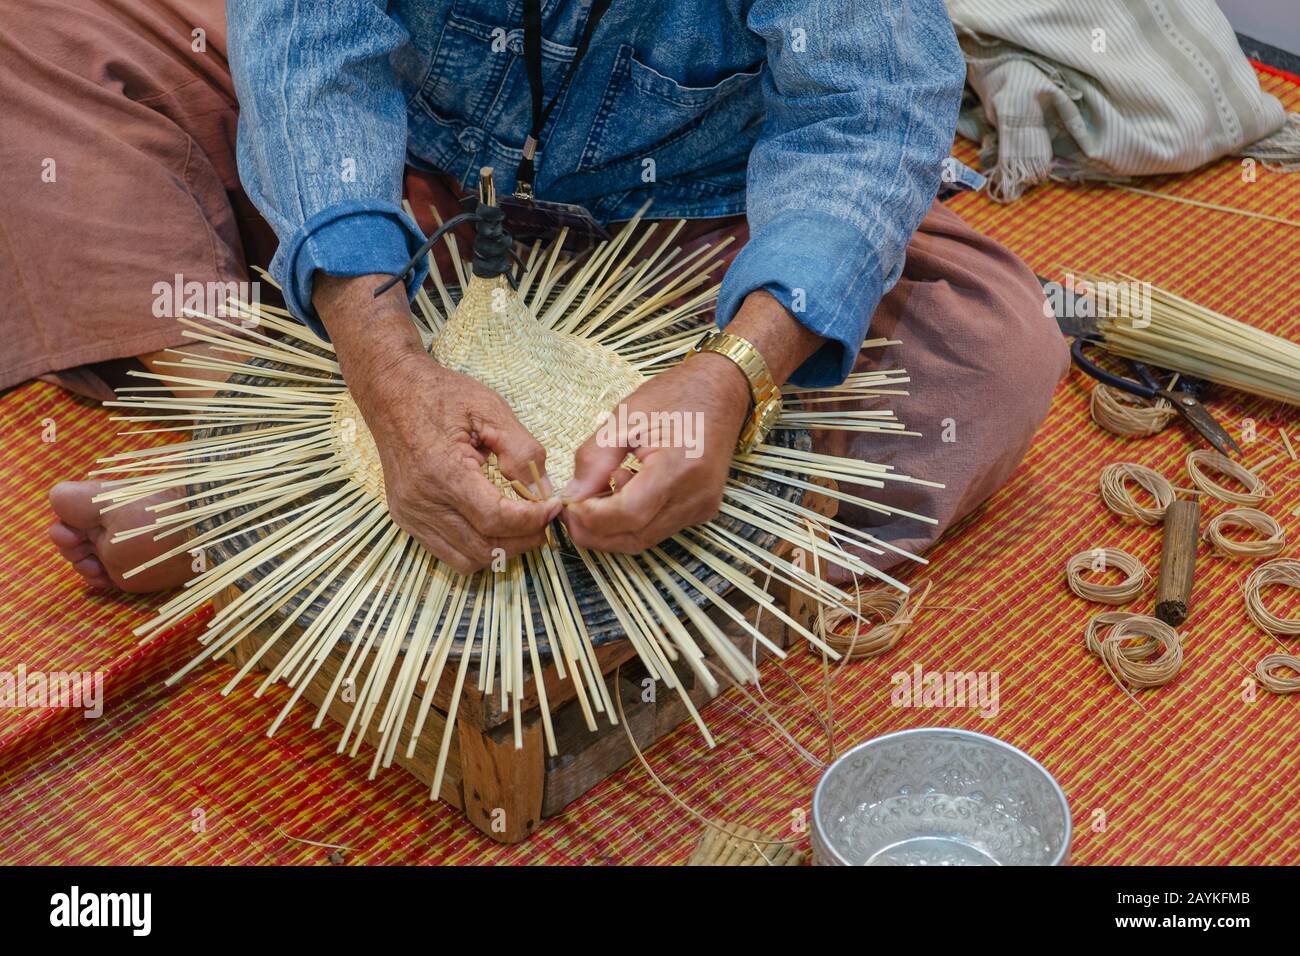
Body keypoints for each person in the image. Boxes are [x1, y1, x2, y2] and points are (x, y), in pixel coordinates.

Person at [6, 0, 1068, 592]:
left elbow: (864, 114)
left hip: (685, 236)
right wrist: (380, 355)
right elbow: (309, 53)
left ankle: (290, 521)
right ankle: (264, 435)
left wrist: (735, 369)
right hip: (405, 193)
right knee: (45, 31)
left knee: (994, 345)